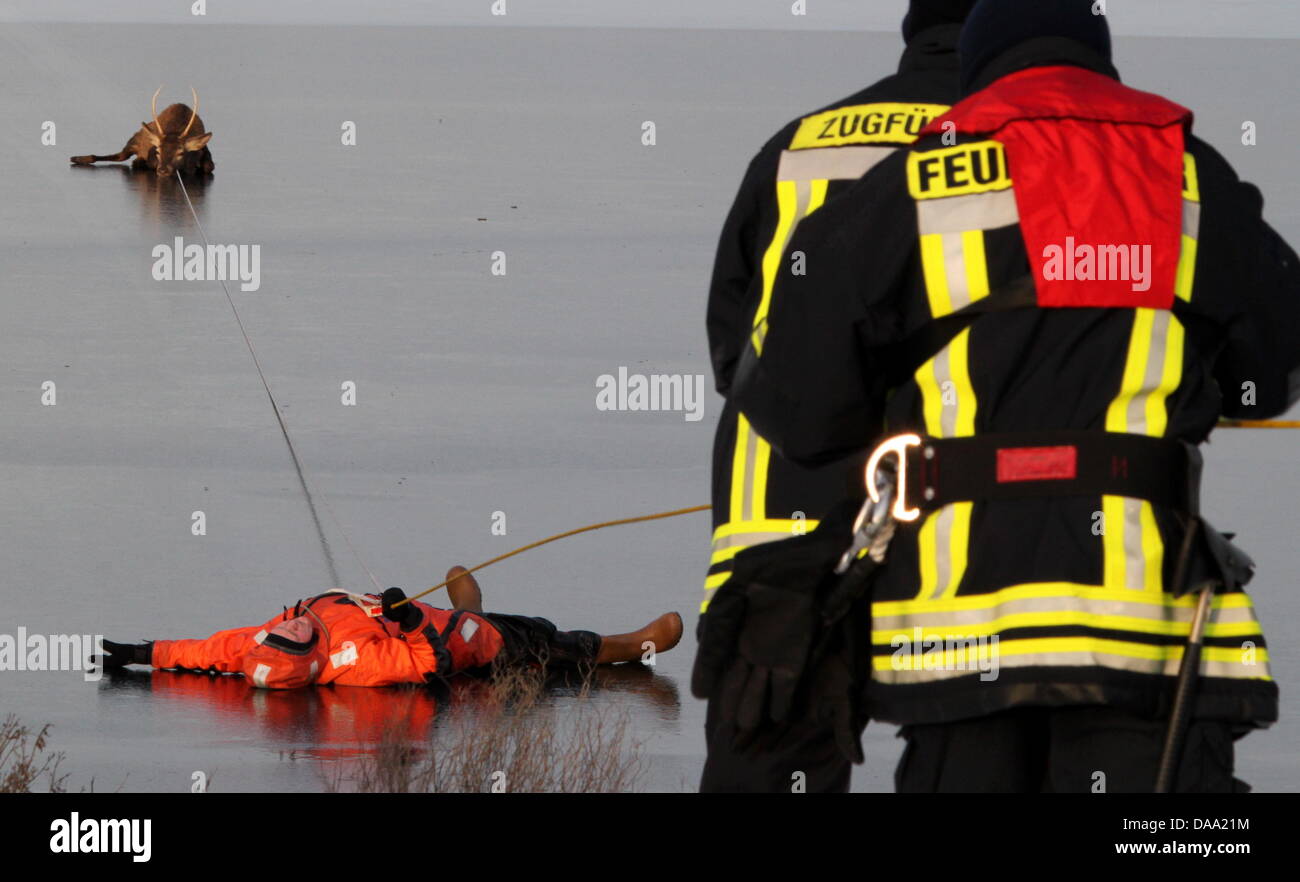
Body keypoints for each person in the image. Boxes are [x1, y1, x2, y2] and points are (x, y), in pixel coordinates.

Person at [728, 0, 1300, 792]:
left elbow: (797, 402)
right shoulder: (1190, 173)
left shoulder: (917, 182)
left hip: (963, 641)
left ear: (976, 71)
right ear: (1100, 61)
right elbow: (1272, 374)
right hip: (1148, 633)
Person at [697, 0, 977, 793]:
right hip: (956, 514)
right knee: (974, 745)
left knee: (769, 747)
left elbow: (731, 340)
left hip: (776, 506)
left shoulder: (799, 142)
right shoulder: (1014, 149)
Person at [94, 566, 683, 688]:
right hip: (475, 647)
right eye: (292, 644)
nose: (289, 632)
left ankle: (467, 597)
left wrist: (138, 651)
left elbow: (202, 652)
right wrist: (406, 622)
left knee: (468, 604)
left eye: (281, 633)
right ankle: (637, 643)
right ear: (307, 667)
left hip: (440, 618)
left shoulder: (259, 646)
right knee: (555, 645)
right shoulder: (358, 665)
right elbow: (425, 665)